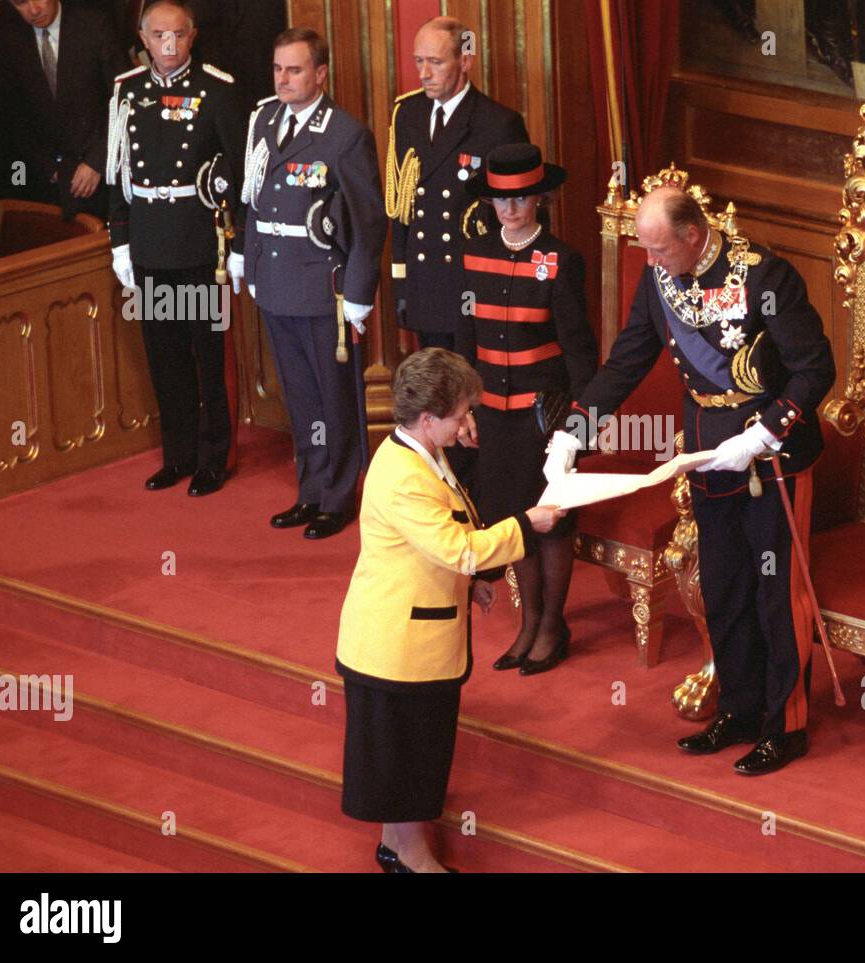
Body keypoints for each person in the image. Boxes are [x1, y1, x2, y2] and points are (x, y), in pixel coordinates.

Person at [544, 185, 836, 775]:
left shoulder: (765, 278)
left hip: (768, 455)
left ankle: (787, 725)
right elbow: (627, 360)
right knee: (723, 583)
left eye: (657, 250)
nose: (649, 263)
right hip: (704, 449)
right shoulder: (660, 281)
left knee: (774, 591)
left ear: (693, 235)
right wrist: (574, 431)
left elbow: (814, 369)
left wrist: (763, 435)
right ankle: (738, 709)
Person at [336, 348, 564, 873]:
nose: (469, 422)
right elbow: (458, 547)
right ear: (427, 418)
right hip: (395, 648)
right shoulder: (403, 476)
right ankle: (410, 855)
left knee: (409, 752)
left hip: (410, 636)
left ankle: (396, 844)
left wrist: (467, 585)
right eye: (462, 413)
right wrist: (529, 525)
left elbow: (450, 529)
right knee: (409, 756)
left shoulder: (422, 452)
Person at [455, 143, 598, 674]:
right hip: (492, 412)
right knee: (516, 517)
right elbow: (464, 339)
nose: (511, 208)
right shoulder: (473, 255)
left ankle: (553, 624)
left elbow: (579, 346)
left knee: (553, 521)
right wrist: (463, 409)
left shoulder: (563, 258)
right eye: (500, 198)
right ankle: (528, 619)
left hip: (548, 416)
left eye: (521, 197)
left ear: (539, 197)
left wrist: (583, 423)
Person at [241, 27, 387, 540]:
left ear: (320, 74)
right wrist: (251, 265)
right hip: (277, 281)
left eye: (295, 69)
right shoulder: (263, 121)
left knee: (335, 398)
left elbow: (369, 222)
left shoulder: (345, 135)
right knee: (300, 396)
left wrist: (361, 293)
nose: (283, 78)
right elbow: (252, 200)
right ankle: (310, 490)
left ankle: (338, 496)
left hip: (327, 289)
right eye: (278, 69)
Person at [106, 0, 245, 495]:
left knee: (207, 358)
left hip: (198, 243)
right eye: (159, 34)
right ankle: (178, 455)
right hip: (149, 242)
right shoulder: (127, 92)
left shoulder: (217, 90)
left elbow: (242, 173)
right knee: (164, 357)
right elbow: (117, 174)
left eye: (179, 34)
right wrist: (120, 241)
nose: (169, 43)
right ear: (143, 38)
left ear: (193, 36)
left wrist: (240, 245)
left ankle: (213, 458)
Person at [386, 15, 528, 352]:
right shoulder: (407, 114)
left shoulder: (498, 123)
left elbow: (519, 216)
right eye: (419, 61)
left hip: (474, 285)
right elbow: (402, 209)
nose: (423, 73)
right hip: (425, 285)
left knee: (474, 392)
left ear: (465, 60)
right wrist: (402, 284)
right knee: (436, 392)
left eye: (435, 62)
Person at [0, 0, 125, 219]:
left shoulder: (93, 23)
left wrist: (98, 160)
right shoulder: (6, 38)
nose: (33, 10)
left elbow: (125, 98)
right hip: (46, 182)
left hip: (102, 171)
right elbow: (11, 117)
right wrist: (50, 168)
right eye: (21, 3)